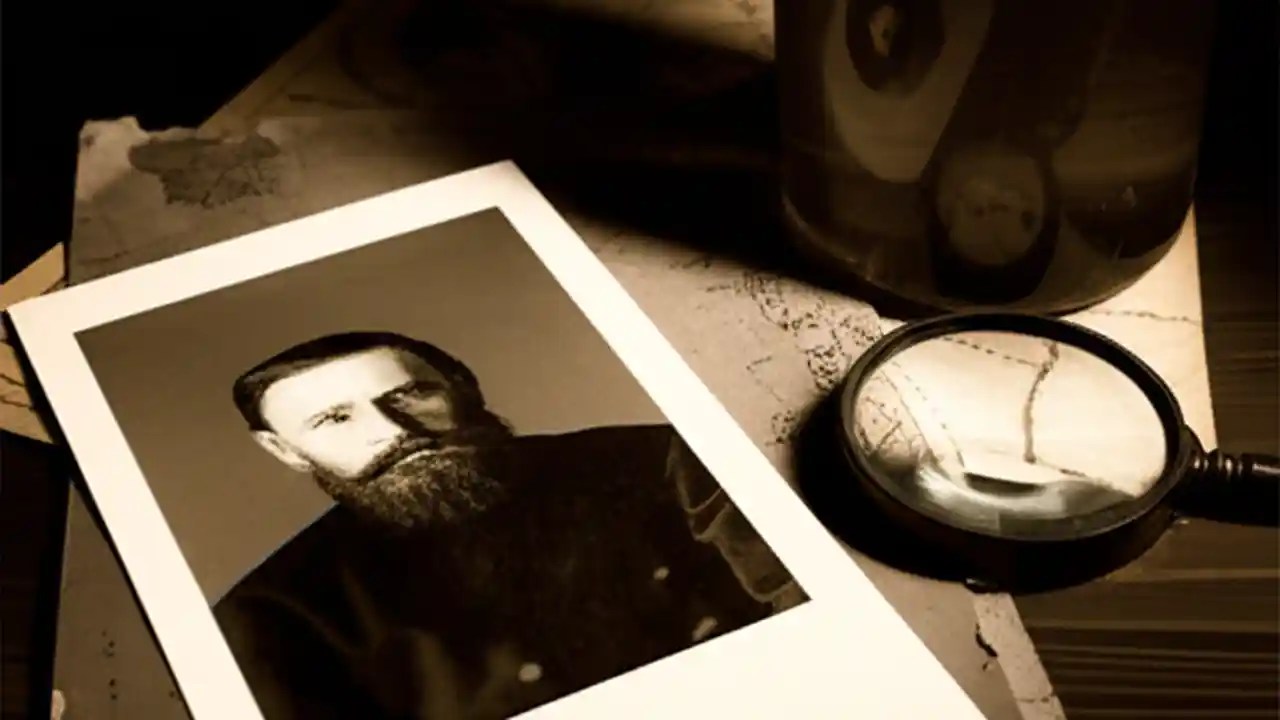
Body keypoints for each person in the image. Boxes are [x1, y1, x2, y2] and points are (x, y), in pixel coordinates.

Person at [213, 331, 806, 719]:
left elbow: (811, 607)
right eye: (334, 419)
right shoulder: (273, 611)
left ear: (463, 388)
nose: (393, 431)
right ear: (284, 451)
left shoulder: (664, 461)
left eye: (413, 394)